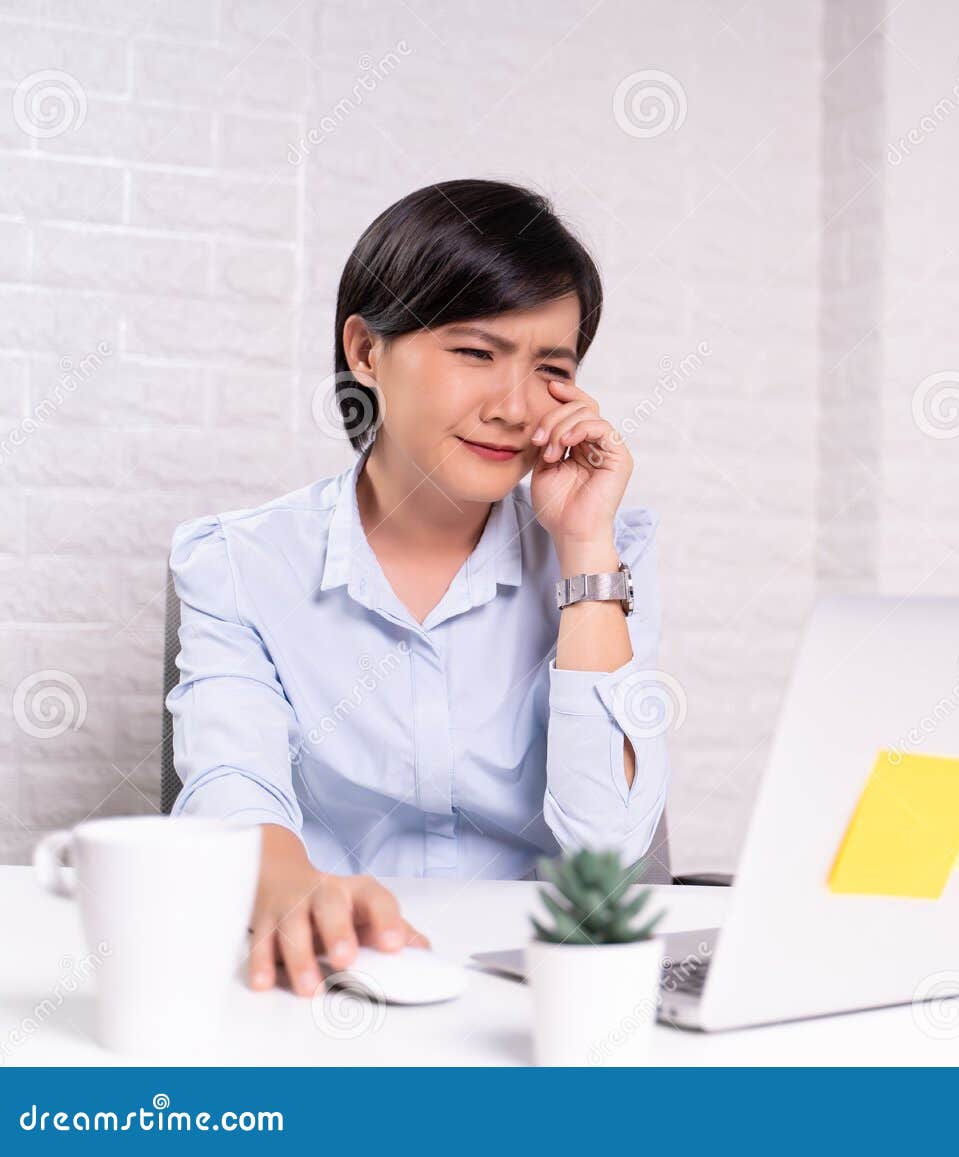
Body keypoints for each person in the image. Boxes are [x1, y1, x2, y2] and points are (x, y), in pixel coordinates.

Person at [166, 179, 668, 997]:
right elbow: (232, 784)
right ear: (366, 351)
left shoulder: (601, 556)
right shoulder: (242, 562)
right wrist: (295, 892)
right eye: (476, 353)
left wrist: (583, 548)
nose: (514, 406)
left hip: (541, 983)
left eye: (552, 367)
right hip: (337, 965)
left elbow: (607, 861)